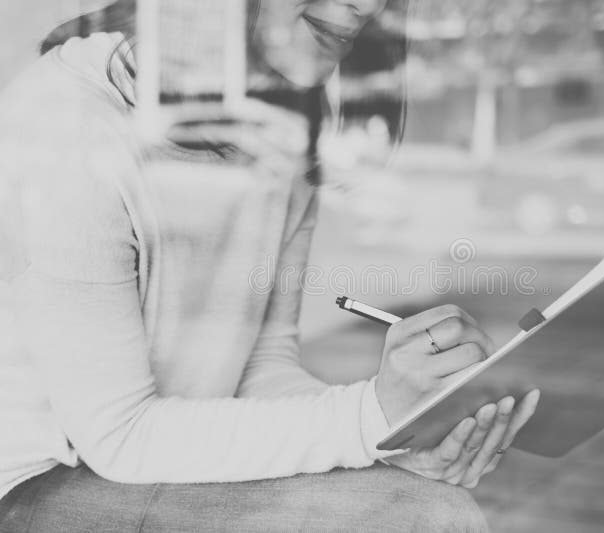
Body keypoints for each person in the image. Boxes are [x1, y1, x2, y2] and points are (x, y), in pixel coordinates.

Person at [0, 1, 540, 531]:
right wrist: (363, 418)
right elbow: (118, 436)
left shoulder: (285, 125)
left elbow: (259, 368)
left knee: (428, 503)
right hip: (38, 481)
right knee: (424, 517)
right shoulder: (69, 123)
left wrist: (390, 435)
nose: (369, 5)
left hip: (150, 456)